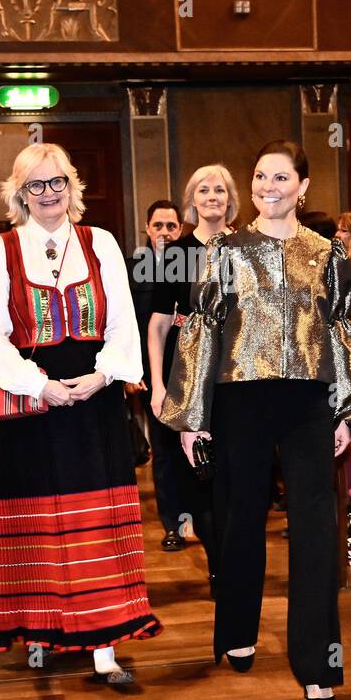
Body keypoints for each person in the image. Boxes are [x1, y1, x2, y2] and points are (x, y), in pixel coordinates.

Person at [161, 140, 351, 700]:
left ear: (303, 186)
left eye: (281, 177)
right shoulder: (224, 249)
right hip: (239, 400)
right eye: (259, 176)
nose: (267, 186)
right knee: (238, 521)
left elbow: (343, 331)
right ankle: (236, 629)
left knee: (313, 530)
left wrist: (348, 408)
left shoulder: (328, 253)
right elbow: (200, 330)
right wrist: (191, 418)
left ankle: (318, 664)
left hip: (308, 402)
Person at [0, 143, 160, 684]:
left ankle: (104, 645)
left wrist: (104, 375)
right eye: (37, 185)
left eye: (57, 183)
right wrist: (40, 386)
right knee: (37, 523)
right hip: (33, 400)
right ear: (20, 194)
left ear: (71, 187)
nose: (49, 193)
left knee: (95, 524)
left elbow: (124, 320)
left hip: (93, 396)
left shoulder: (99, 242)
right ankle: (40, 631)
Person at [148, 163, 239, 590]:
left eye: (219, 189)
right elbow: (159, 325)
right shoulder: (174, 254)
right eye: (203, 190)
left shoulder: (246, 249)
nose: (211, 196)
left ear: (230, 198)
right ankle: (218, 560)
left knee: (236, 476)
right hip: (185, 380)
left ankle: (231, 558)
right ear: (192, 200)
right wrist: (158, 386)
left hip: (237, 380)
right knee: (197, 478)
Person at [130, 199, 183, 548]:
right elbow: (125, 322)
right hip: (153, 371)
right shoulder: (133, 266)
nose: (164, 232)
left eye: (171, 226)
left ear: (180, 230)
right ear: (148, 229)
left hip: (193, 367)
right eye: (158, 226)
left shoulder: (193, 262)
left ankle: (199, 520)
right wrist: (133, 371)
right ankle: (172, 526)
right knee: (164, 449)